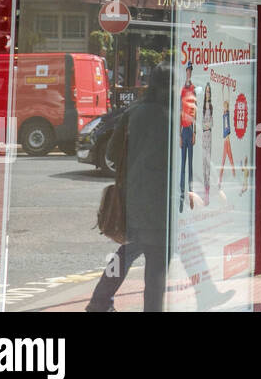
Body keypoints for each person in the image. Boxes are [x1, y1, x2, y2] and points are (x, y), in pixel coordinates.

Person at [86, 65, 232, 311]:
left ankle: (99, 303)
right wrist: (212, 186)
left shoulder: (132, 113)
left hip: (133, 200)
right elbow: (192, 156)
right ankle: (106, 303)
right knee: (156, 268)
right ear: (172, 87)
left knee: (131, 252)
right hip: (164, 204)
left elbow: (111, 154)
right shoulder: (175, 117)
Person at [178, 62, 196, 212]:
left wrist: (195, 132)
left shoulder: (193, 89)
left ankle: (190, 195)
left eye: (190, 71)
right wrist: (179, 134)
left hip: (190, 128)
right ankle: (181, 197)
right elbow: (179, 111)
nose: (188, 73)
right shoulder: (183, 90)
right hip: (184, 128)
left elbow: (195, 111)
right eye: (187, 71)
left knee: (190, 164)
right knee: (183, 165)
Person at [199, 83, 214, 205]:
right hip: (204, 136)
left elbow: (210, 124)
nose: (207, 94)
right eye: (206, 92)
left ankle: (207, 193)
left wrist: (206, 126)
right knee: (204, 164)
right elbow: (203, 124)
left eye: (209, 92)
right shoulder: (203, 107)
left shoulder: (211, 107)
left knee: (208, 164)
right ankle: (205, 192)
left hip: (209, 136)